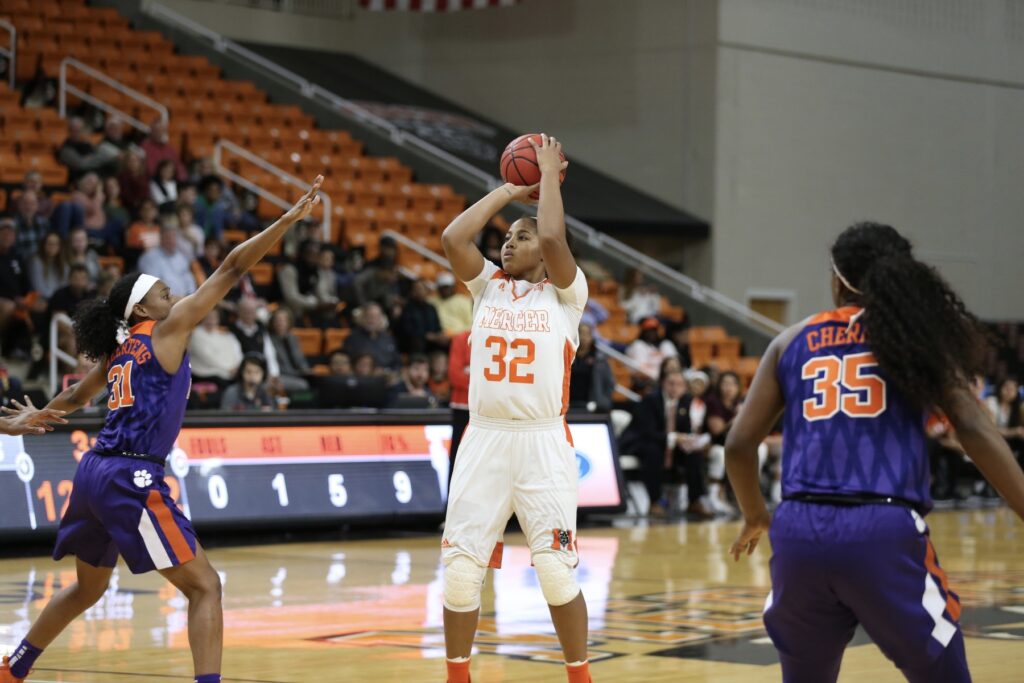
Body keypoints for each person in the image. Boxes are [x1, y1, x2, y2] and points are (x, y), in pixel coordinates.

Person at [0, 176, 322, 683]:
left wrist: (28, 419)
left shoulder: (118, 352)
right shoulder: (169, 329)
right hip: (132, 477)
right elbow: (233, 266)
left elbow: (75, 399)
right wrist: (285, 221)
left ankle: (14, 668)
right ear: (144, 309)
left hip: (94, 474)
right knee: (205, 587)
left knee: (87, 590)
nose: (175, 292)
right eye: (164, 291)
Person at [724, 222, 1024, 683]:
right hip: (882, 529)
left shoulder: (791, 340)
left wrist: (755, 516)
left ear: (838, 279)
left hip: (798, 530)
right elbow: (972, 427)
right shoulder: (916, 341)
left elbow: (739, 445)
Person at [440, 134, 593, 683]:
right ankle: (457, 677)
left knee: (554, 572)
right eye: (506, 236)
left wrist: (547, 175)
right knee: (460, 572)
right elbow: (453, 235)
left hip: (541, 441)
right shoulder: (486, 289)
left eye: (520, 236)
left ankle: (580, 676)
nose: (510, 241)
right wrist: (510, 189)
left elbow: (553, 232)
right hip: (483, 438)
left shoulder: (568, 295)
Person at [619, 369, 712, 519]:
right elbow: (646, 431)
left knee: (693, 455)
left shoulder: (687, 402)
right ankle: (654, 501)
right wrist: (674, 438)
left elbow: (688, 428)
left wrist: (692, 440)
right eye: (671, 384)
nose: (675, 388)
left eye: (680, 384)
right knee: (653, 451)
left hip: (671, 447)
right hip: (642, 443)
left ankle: (695, 500)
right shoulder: (650, 400)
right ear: (663, 384)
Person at [188, 309, 244, 390]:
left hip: (231, 372)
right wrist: (229, 369)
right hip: (207, 374)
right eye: (209, 317)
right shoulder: (196, 334)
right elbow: (208, 357)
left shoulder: (226, 334)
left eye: (214, 317)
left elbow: (236, 350)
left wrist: (238, 367)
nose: (211, 320)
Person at [138, 223, 198, 297]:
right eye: (168, 237)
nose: (171, 240)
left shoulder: (181, 257)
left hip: (184, 301)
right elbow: (153, 286)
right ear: (161, 239)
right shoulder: (149, 258)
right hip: (163, 302)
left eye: (174, 237)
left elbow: (189, 280)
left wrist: (191, 297)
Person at [342, 302, 400, 373]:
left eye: (376, 317)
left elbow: (397, 363)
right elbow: (348, 362)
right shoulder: (352, 338)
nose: (372, 320)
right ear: (362, 318)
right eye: (369, 316)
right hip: (363, 377)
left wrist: (389, 371)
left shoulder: (388, 339)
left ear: (382, 319)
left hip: (387, 376)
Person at [569, 323, 614, 412]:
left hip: (593, 405)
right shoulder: (567, 356)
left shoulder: (600, 359)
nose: (584, 337)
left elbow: (609, 383)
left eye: (587, 334)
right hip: (569, 404)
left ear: (592, 337)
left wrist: (602, 400)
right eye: (581, 333)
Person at [446, 330, 470, 489]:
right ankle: (451, 504)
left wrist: (469, 372)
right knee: (458, 458)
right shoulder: (461, 339)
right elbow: (454, 375)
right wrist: (485, 384)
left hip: (490, 410)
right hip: (462, 408)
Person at [396, 278, 446, 354]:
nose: (419, 291)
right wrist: (426, 335)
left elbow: (437, 326)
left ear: (427, 291)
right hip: (416, 343)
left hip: (433, 342)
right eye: (416, 289)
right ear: (412, 292)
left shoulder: (431, 308)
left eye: (422, 288)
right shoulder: (408, 308)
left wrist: (440, 335)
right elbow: (407, 330)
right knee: (417, 342)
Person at [267, 308, 311, 393]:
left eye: (283, 320)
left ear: (289, 322)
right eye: (277, 320)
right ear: (272, 322)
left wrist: (306, 370)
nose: (280, 323)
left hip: (298, 373)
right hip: (281, 375)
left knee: (316, 381)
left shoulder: (293, 338)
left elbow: (300, 358)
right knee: (303, 385)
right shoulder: (269, 340)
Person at [431, 271, 474, 336]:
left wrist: (452, 334)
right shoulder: (431, 301)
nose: (445, 290)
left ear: (453, 287)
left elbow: (470, 325)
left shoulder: (464, 301)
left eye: (447, 287)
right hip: (436, 336)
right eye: (442, 287)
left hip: (458, 337)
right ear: (438, 288)